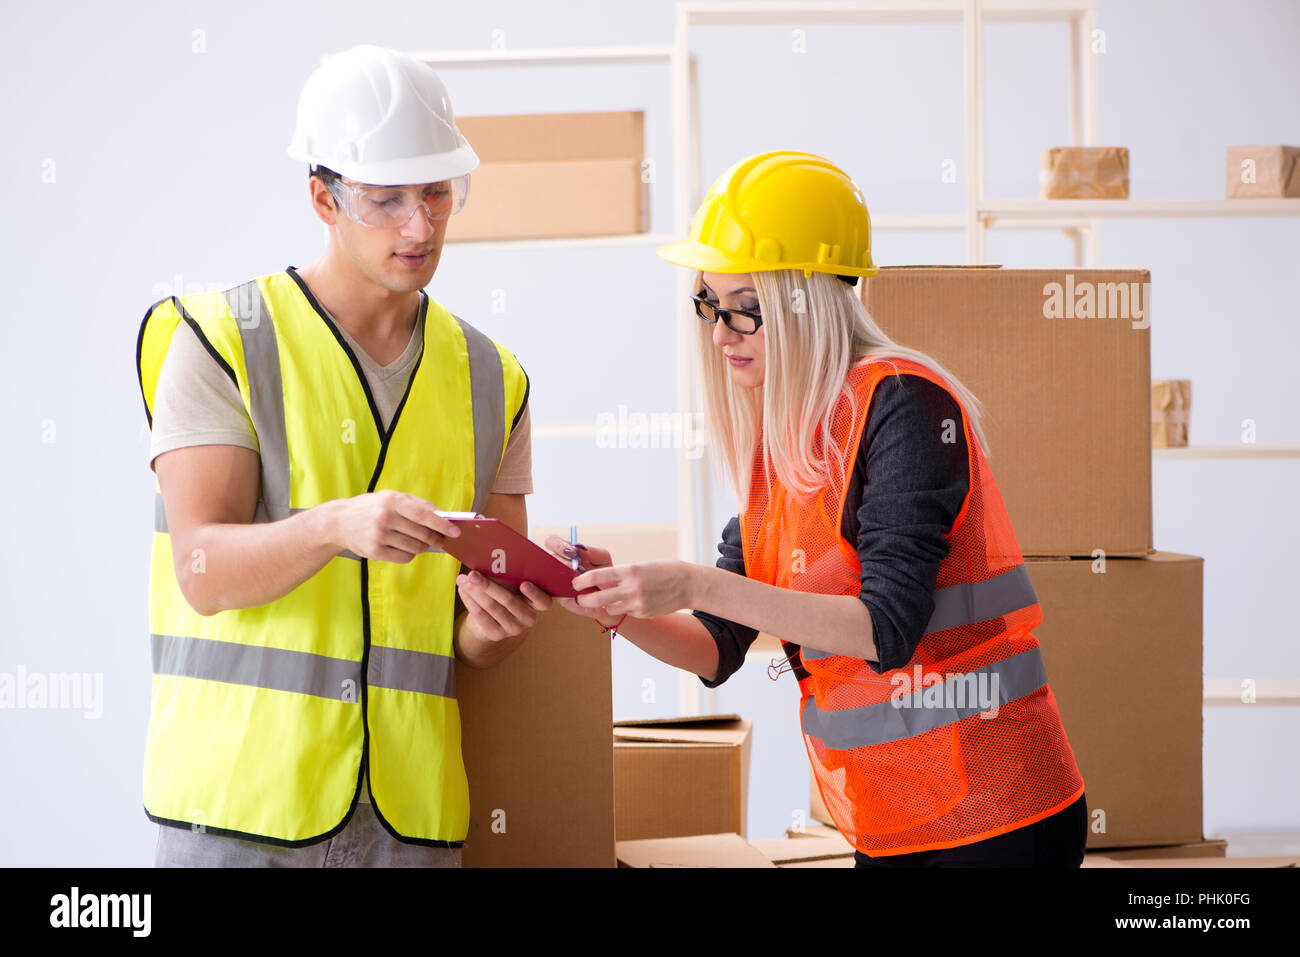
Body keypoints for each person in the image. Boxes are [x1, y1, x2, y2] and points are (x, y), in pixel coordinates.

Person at [546, 150, 1088, 867]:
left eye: (746, 310)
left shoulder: (904, 406)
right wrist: (618, 603)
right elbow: (716, 646)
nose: (719, 334)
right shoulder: (786, 440)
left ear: (812, 302)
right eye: (709, 304)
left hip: (997, 812)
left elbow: (887, 628)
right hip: (893, 815)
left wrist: (695, 580)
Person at [136, 45, 551, 867]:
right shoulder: (221, 341)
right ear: (323, 197)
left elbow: (474, 627)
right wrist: (334, 526)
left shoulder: (490, 377)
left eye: (438, 192)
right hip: (241, 812)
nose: (419, 225)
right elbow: (202, 569)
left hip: (409, 820)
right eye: (385, 198)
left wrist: (496, 629)